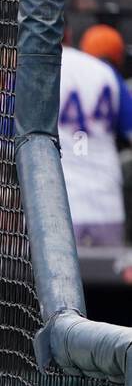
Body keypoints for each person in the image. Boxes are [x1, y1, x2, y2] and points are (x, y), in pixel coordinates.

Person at [58, 32, 132, 246]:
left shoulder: (30, 72)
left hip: (56, 209)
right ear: (70, 36)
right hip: (106, 204)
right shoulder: (104, 72)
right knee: (104, 278)